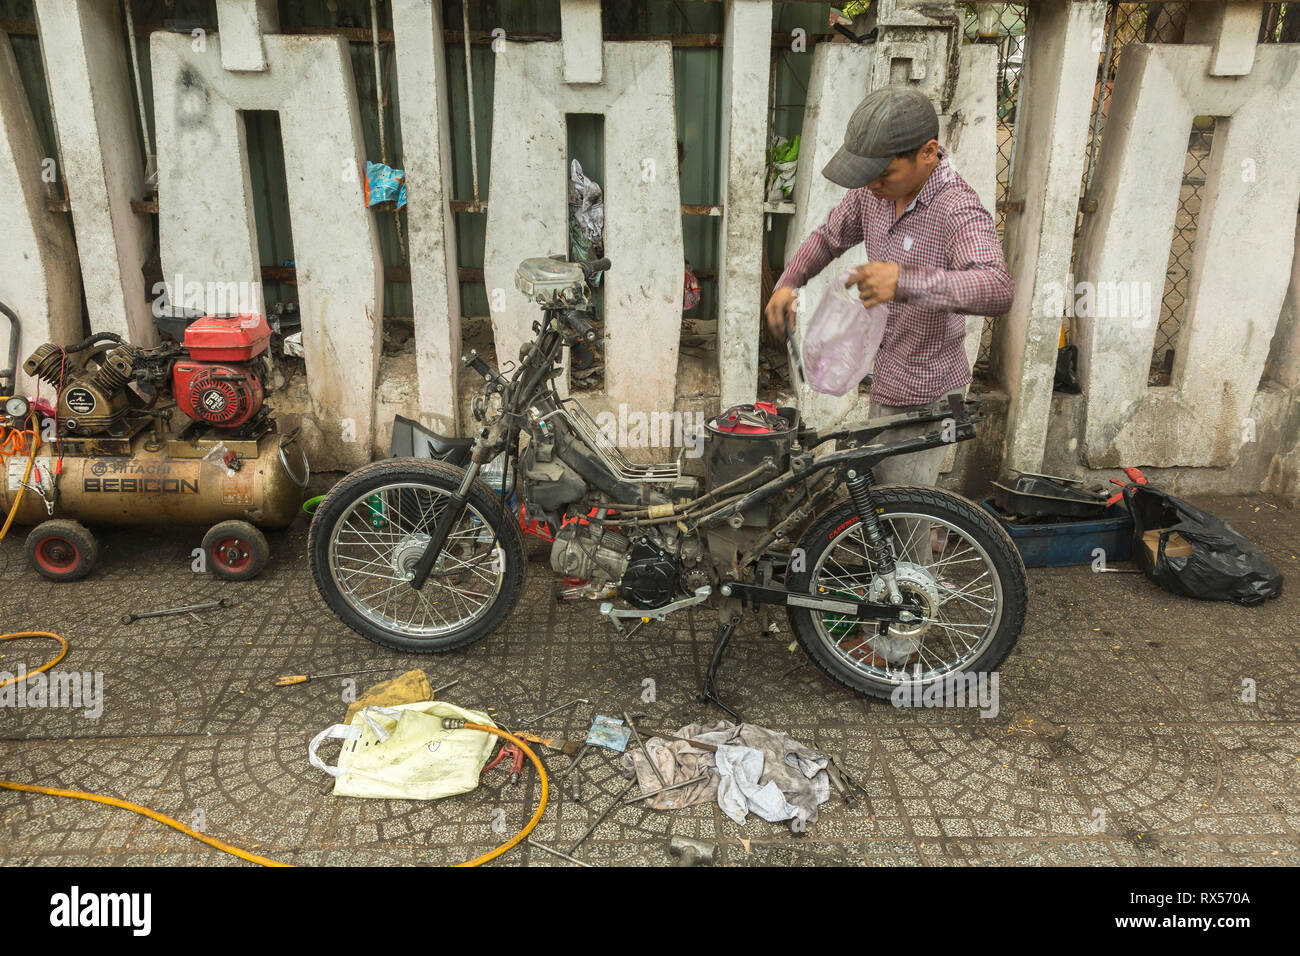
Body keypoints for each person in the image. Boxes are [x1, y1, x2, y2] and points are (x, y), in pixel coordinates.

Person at [765, 85, 1014, 503]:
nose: (873, 184)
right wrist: (789, 282)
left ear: (929, 152)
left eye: (884, 173)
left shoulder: (958, 208)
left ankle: (919, 565)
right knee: (885, 507)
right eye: (869, 175)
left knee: (907, 518)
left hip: (929, 392)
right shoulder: (873, 194)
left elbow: (996, 287)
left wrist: (904, 281)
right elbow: (829, 236)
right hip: (887, 379)